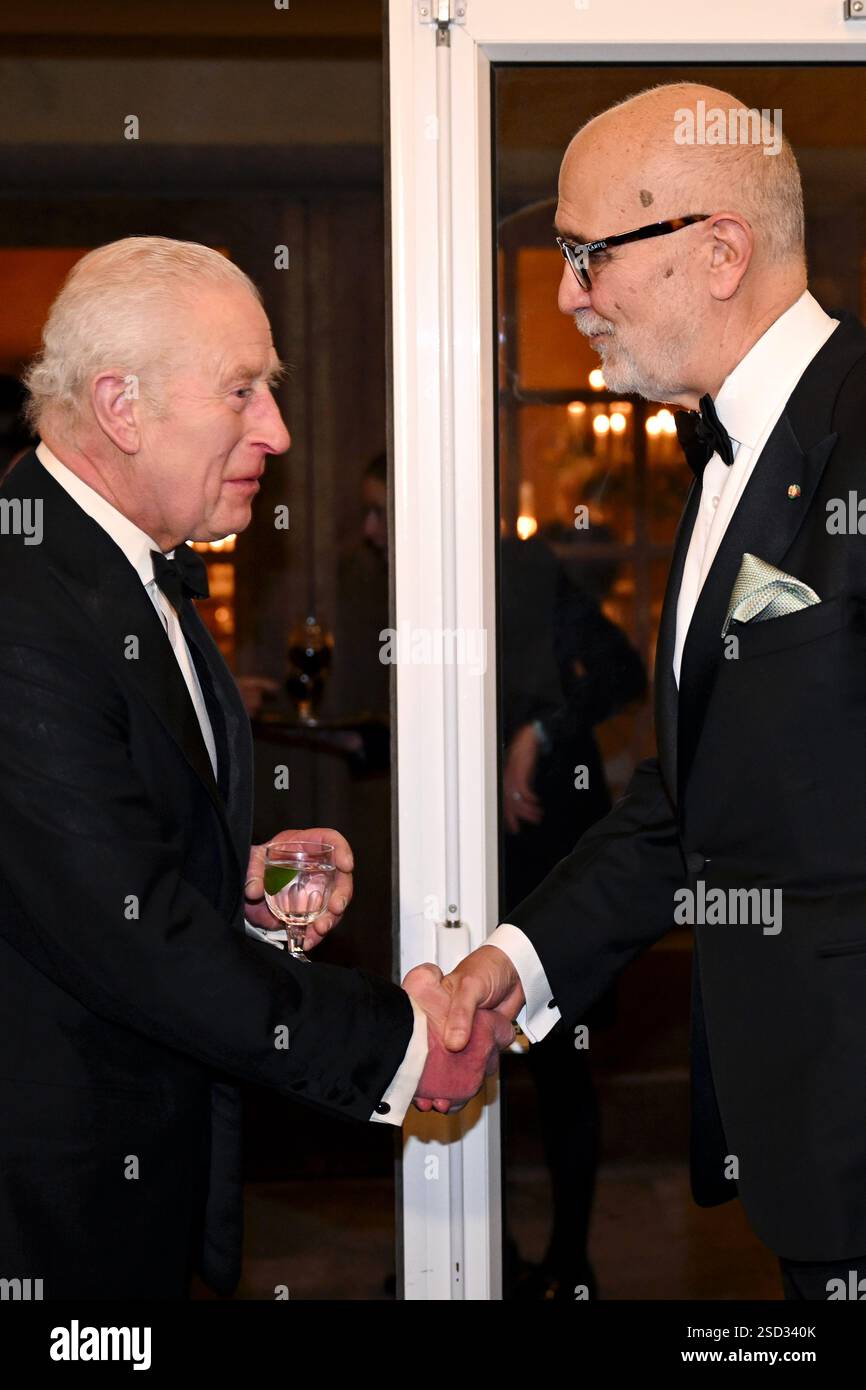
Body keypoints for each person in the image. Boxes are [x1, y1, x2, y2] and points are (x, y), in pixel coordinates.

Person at [408, 81, 866, 1302]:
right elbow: (689, 798)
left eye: (586, 253)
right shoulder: (721, 459)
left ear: (718, 251)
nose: (565, 294)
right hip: (804, 1147)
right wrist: (517, 958)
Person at [0, 236, 511, 1300]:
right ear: (120, 405)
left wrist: (234, 876)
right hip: (53, 1223)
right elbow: (130, 941)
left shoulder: (120, 568)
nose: (275, 431)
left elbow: (87, 871)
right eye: (242, 391)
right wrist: (407, 1045)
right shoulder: (24, 605)